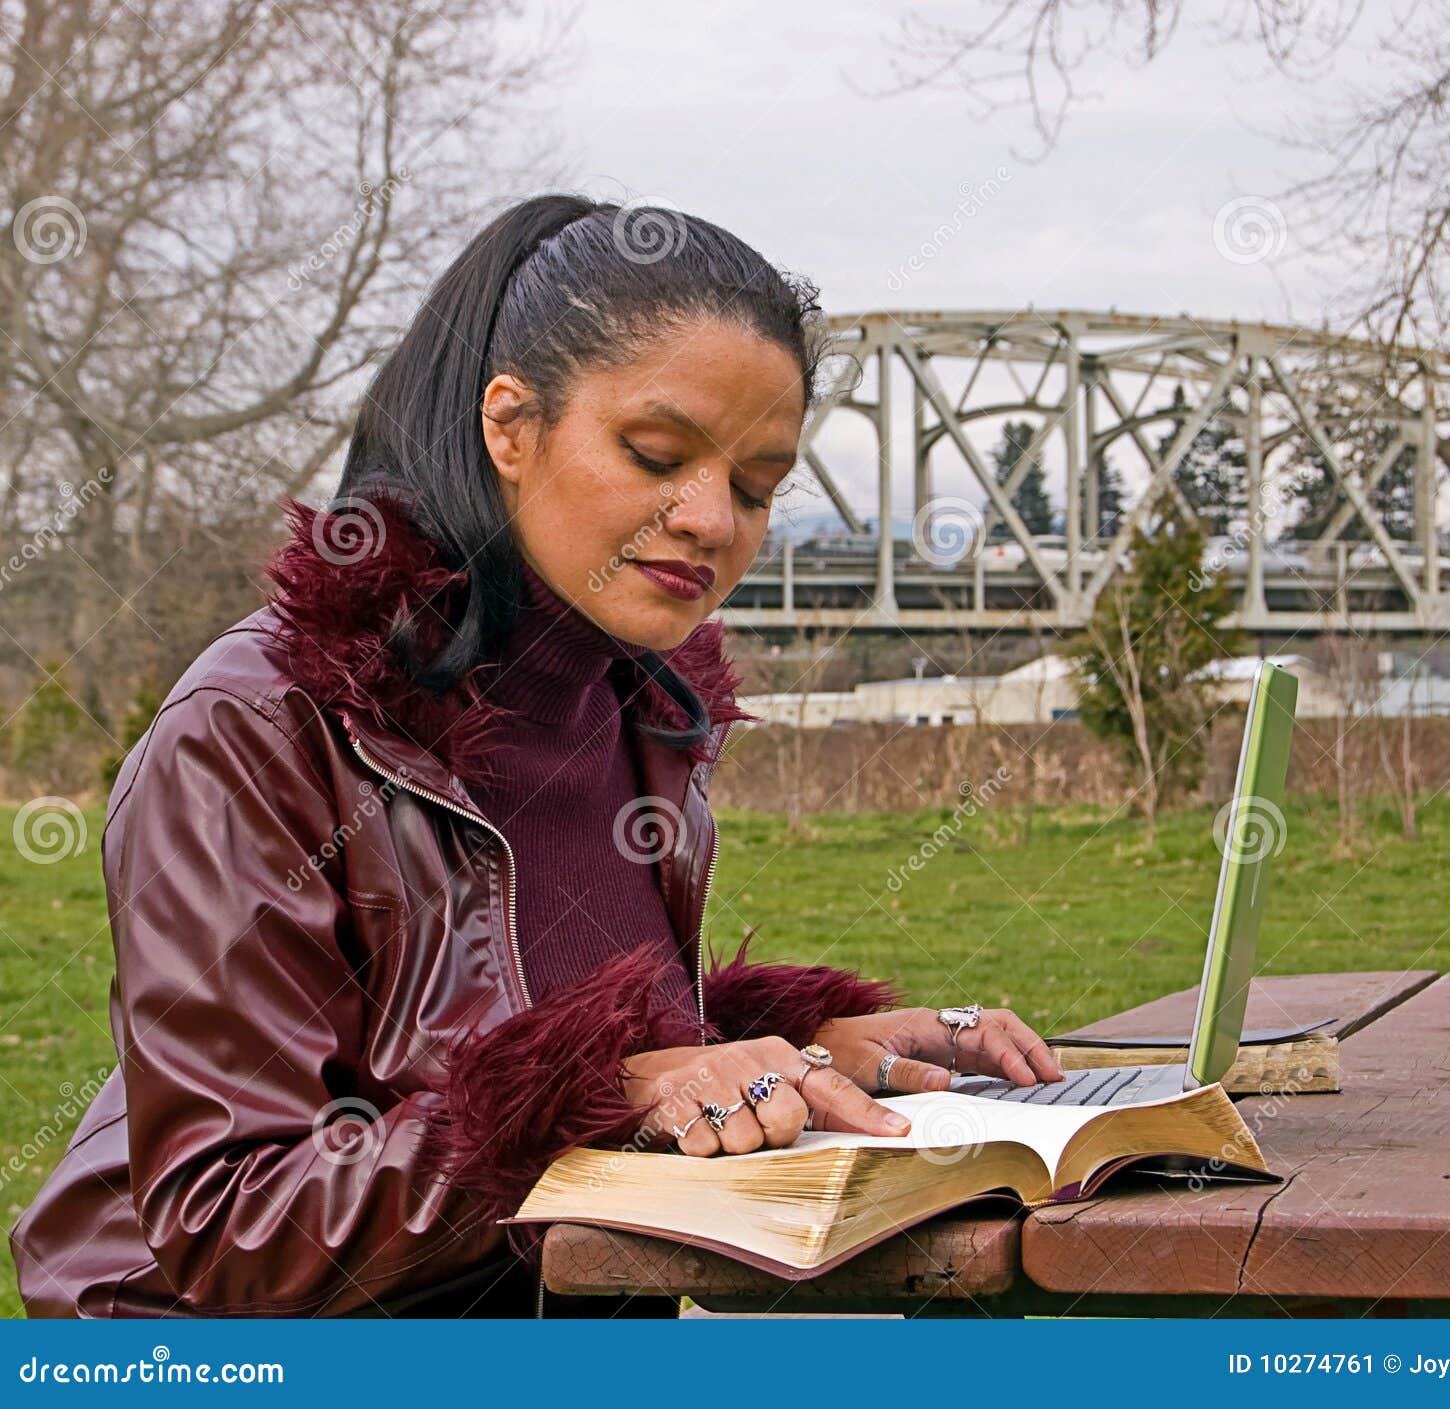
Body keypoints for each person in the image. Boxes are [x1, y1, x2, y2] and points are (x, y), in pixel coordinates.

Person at [10, 194, 1064, 1318]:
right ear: (508, 425)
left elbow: (515, 1024)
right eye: (656, 454)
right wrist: (594, 1095)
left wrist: (793, 1050)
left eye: (757, 487)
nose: (713, 518)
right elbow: (235, 1225)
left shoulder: (643, 715)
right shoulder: (261, 726)